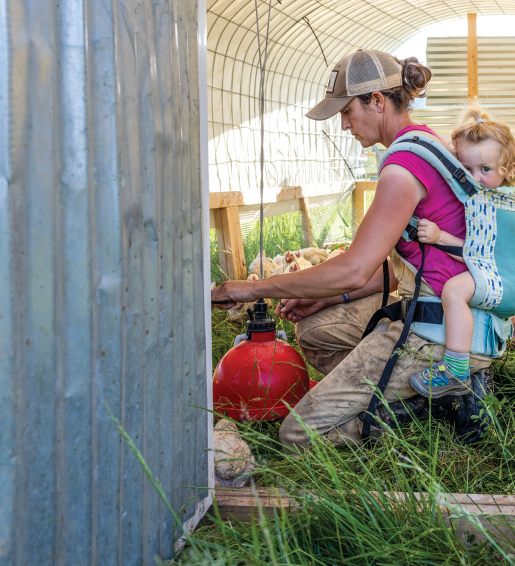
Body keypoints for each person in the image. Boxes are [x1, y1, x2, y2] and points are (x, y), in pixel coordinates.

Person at [210, 48, 494, 450]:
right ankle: (393, 390)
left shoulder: (402, 167)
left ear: (377, 101)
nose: (344, 125)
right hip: (455, 314)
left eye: (346, 112)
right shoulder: (423, 144)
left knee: (297, 436)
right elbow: (391, 273)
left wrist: (255, 288)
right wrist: (323, 298)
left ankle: (435, 405)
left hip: (438, 331)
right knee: (315, 329)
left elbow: (355, 269)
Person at [409, 102, 515, 397]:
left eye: (484, 169)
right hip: (512, 279)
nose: (474, 177)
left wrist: (437, 236)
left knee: (453, 290)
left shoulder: (487, 203)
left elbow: (475, 251)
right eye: (466, 168)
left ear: (507, 168)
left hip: (505, 283)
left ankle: (456, 369)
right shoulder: (506, 196)